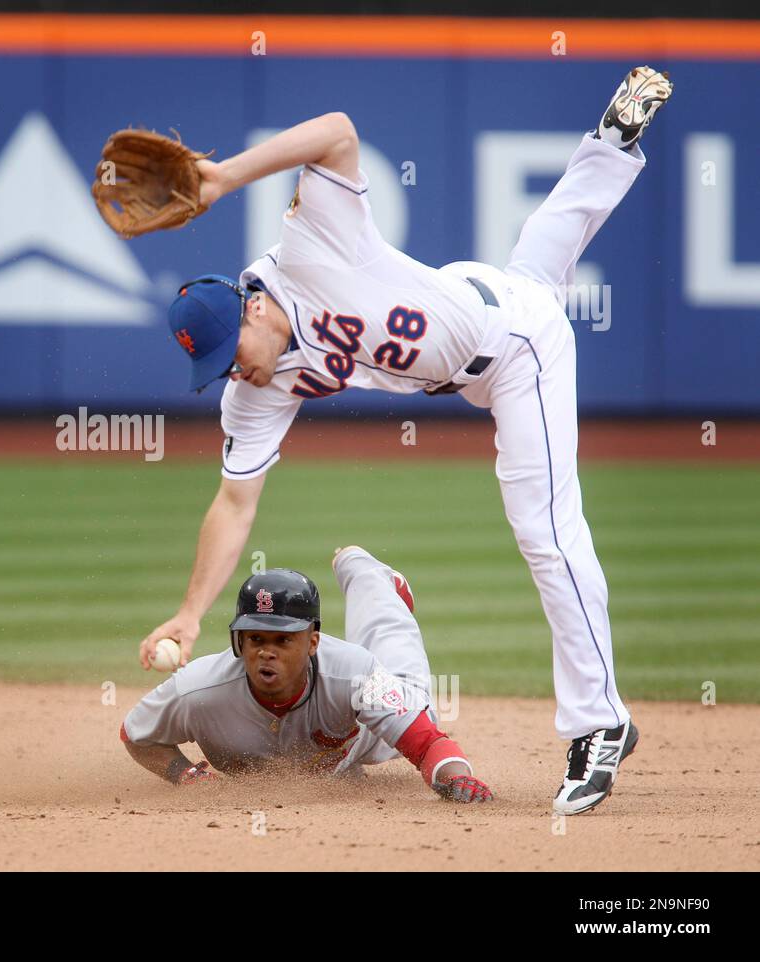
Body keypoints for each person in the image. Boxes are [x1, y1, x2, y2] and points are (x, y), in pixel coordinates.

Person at [139, 67, 672, 814]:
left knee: (545, 528)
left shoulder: (309, 242)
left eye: (232, 352)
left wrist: (222, 177)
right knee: (537, 270)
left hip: (518, 349)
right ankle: (610, 146)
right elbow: (233, 502)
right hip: (476, 316)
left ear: (254, 308)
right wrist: (191, 613)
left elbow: (336, 129)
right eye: (217, 367)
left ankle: (599, 724)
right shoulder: (259, 388)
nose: (234, 371)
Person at [123, 547, 493, 803]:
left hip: (363, 737)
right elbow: (137, 735)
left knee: (408, 682)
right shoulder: (198, 689)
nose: (267, 651)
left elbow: (428, 742)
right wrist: (184, 775)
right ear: (238, 641)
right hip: (328, 762)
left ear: (313, 641)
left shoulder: (354, 675)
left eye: (283, 639)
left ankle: (368, 575)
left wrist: (454, 777)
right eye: (255, 638)